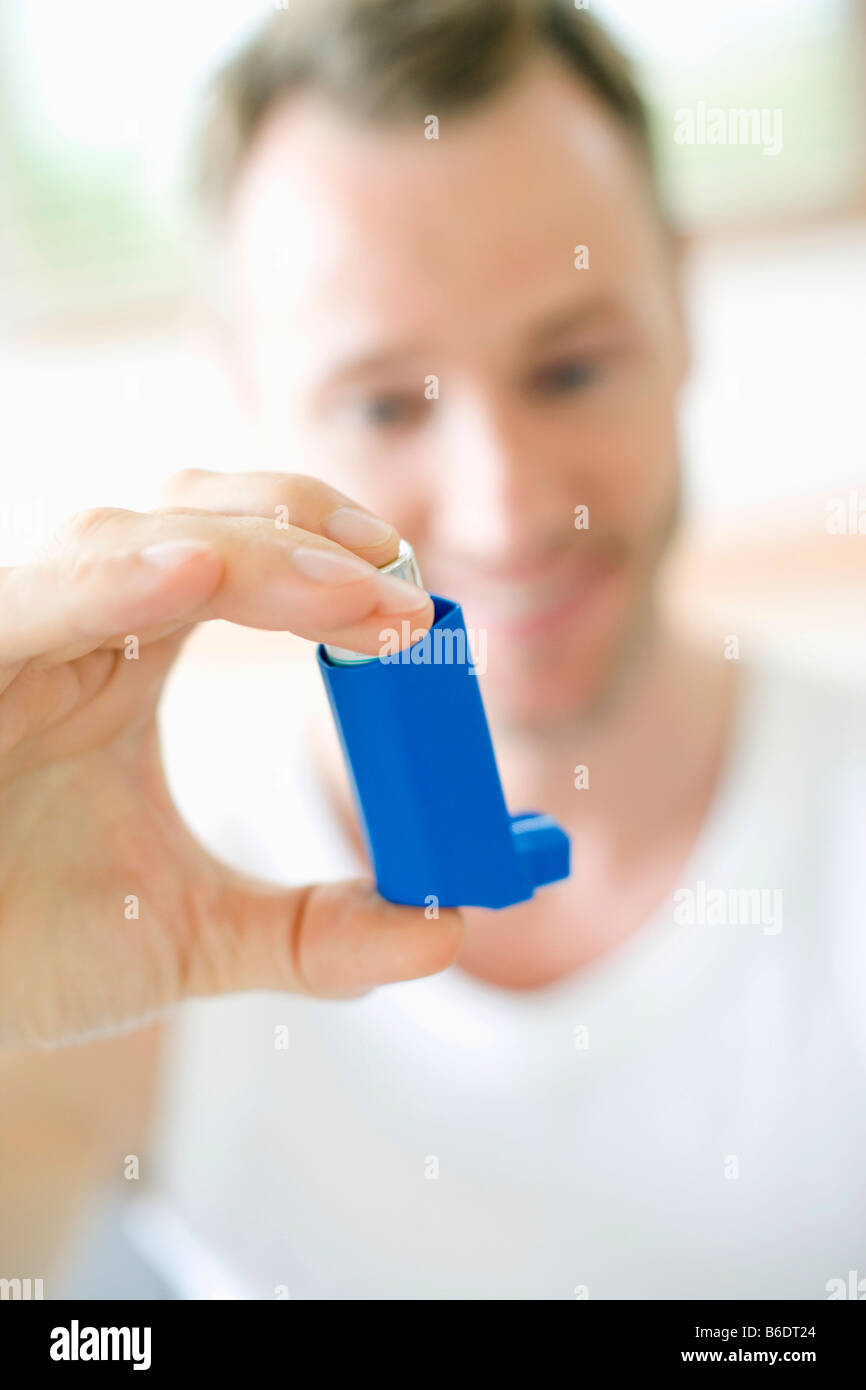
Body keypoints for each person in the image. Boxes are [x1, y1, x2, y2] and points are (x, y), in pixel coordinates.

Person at [2, 0, 865, 1300]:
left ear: (683, 309)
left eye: (570, 368)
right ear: (244, 392)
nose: (506, 510)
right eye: (383, 401)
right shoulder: (123, 892)